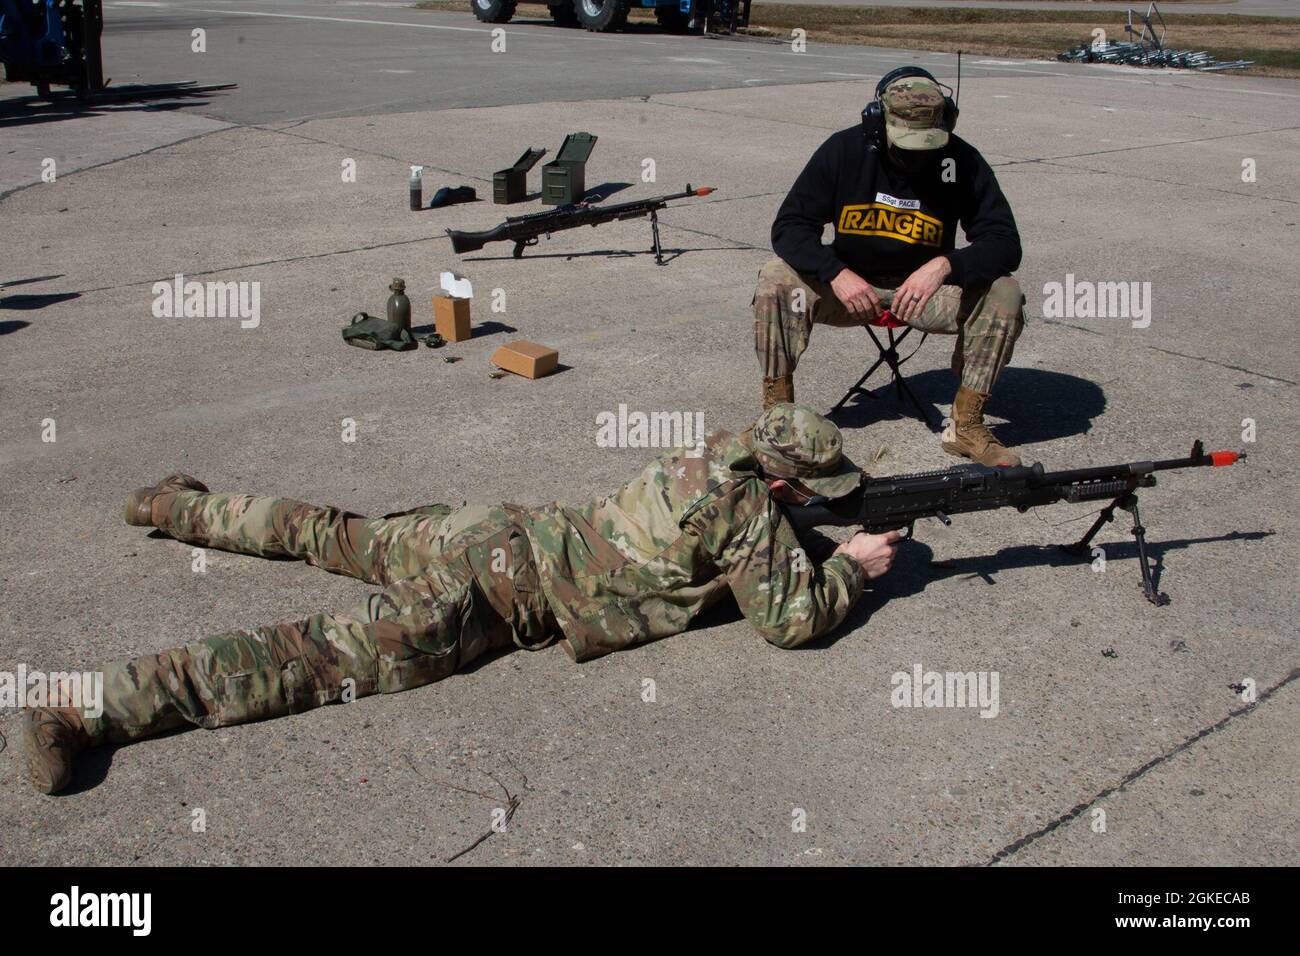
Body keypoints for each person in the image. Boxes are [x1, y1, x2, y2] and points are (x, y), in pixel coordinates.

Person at [24, 404, 901, 794]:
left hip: (482, 530)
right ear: (786, 483)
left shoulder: (721, 452)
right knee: (295, 659)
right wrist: (852, 567)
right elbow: (791, 621)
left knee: (322, 529)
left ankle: (168, 503)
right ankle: (80, 705)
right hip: (477, 600)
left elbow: (708, 539)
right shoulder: (747, 506)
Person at [754, 66, 1027, 467]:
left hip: (926, 297)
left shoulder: (961, 161)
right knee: (776, 279)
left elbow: (1004, 242)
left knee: (1006, 292)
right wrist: (837, 274)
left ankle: (966, 425)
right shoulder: (843, 151)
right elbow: (791, 227)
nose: (918, 154)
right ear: (876, 122)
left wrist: (944, 266)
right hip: (849, 293)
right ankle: (776, 421)